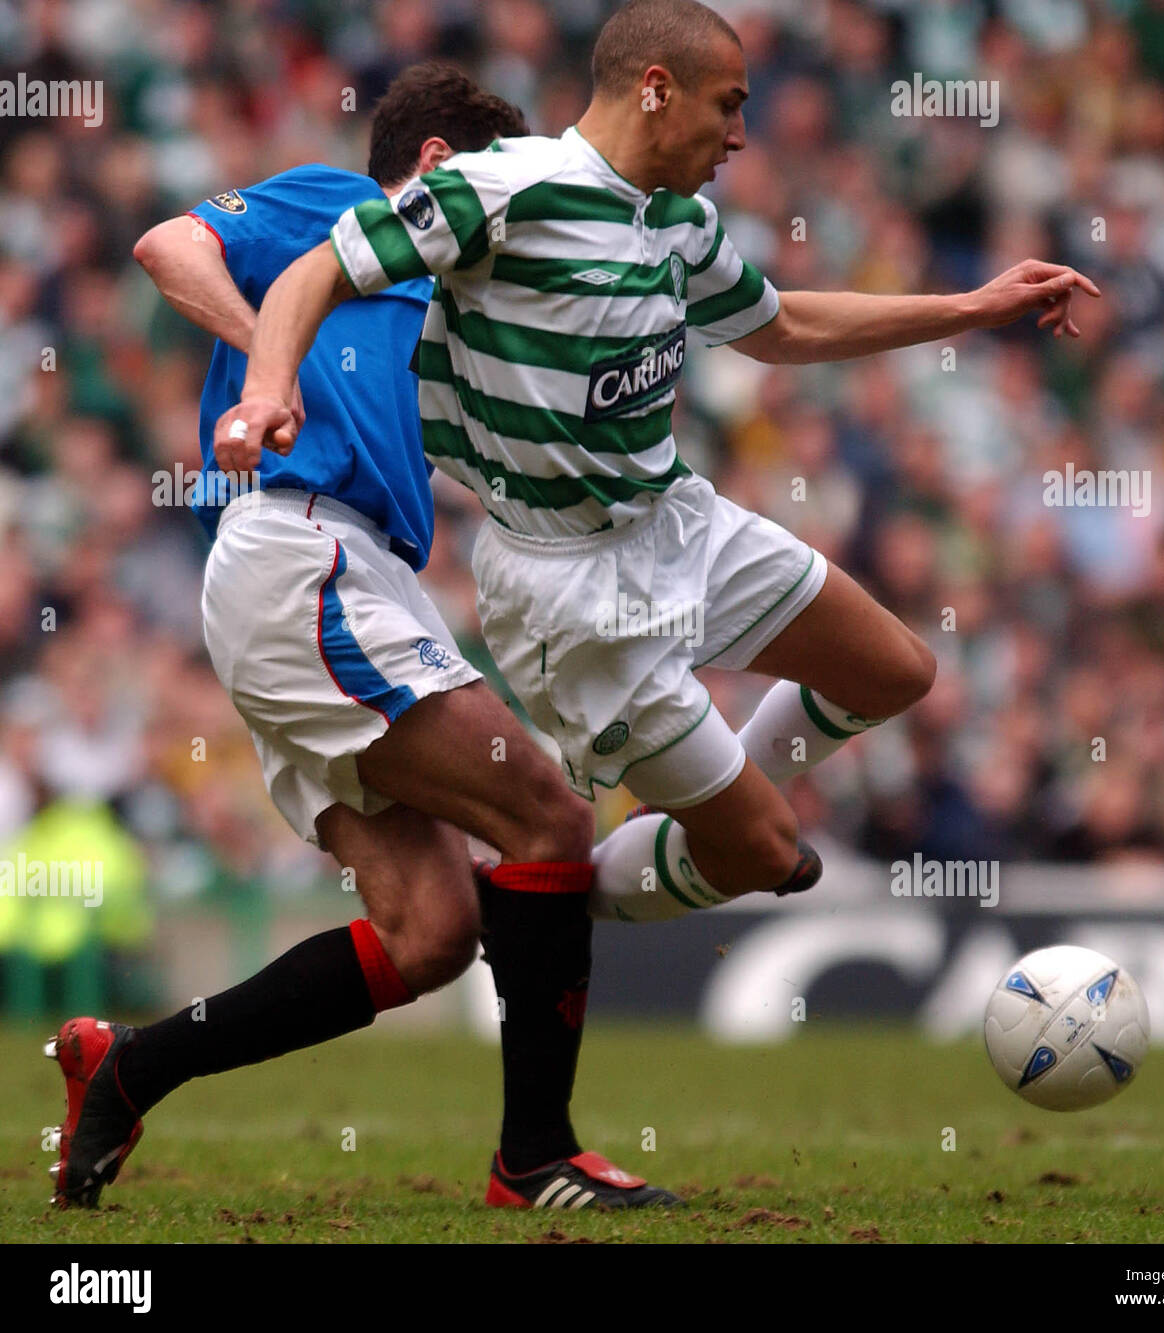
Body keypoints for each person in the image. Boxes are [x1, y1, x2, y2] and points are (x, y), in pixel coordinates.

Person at [216, 0, 1099, 929]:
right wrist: (269, 389)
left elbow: (785, 327)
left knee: (895, 671)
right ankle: (569, 892)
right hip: (570, 587)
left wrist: (970, 307)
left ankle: (652, 832)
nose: (742, 135)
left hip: (676, 519)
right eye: (728, 105)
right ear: (655, 90)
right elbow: (313, 271)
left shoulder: (681, 221)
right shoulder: (503, 189)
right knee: (762, 851)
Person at [46, 62, 676, 1213]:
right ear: (436, 164)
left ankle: (131, 1065)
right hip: (304, 551)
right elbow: (165, 247)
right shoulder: (338, 206)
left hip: (353, 573)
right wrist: (266, 358)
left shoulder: (447, 301)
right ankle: (535, 1155)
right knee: (543, 813)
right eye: (491, 181)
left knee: (430, 931)